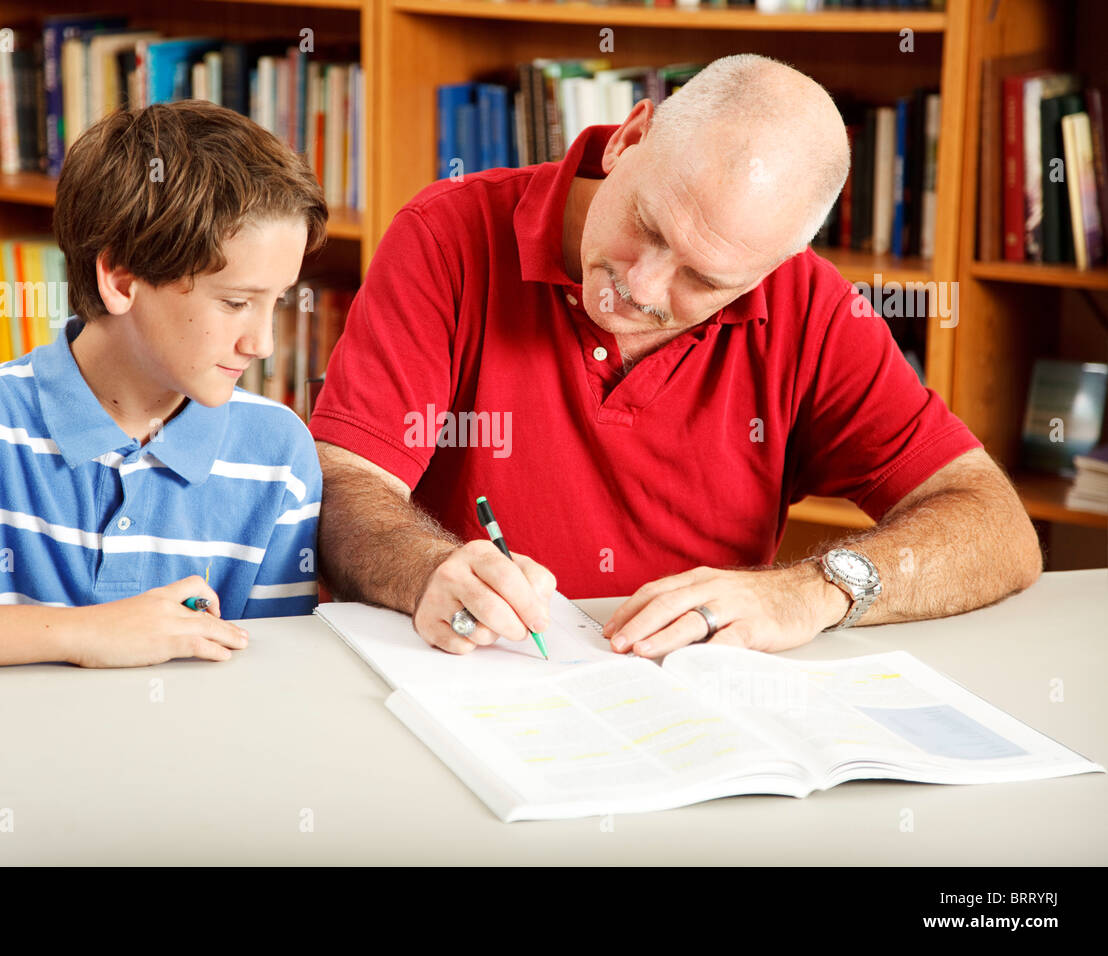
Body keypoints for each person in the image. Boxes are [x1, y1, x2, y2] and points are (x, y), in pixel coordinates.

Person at [311, 54, 1042, 659]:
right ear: (629, 137)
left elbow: (996, 527)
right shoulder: (448, 237)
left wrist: (816, 589)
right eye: (646, 224)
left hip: (698, 712)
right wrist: (431, 568)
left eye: (703, 279)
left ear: (772, 268)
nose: (639, 286)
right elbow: (342, 484)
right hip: (473, 678)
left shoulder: (809, 304)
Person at [0, 100, 327, 672]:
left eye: (275, 301)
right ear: (121, 281)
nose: (263, 344)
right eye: (235, 303)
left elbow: (277, 681)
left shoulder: (278, 454)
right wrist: (87, 634)